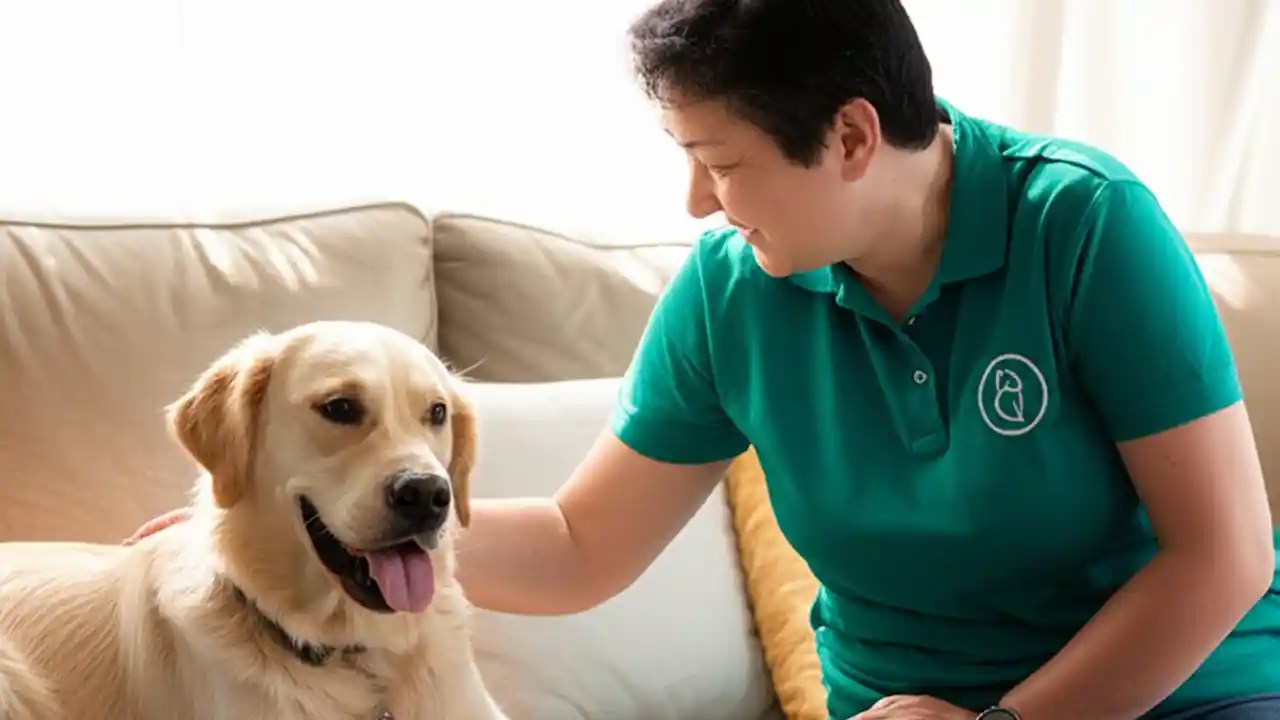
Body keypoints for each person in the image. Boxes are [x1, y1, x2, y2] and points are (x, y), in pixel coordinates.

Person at [126, 1, 1280, 718]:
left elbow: (1220, 555)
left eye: (717, 163)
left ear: (849, 136)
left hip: (1176, 696)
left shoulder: (1083, 224)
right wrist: (282, 533)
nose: (695, 202)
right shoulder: (734, 286)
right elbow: (582, 545)